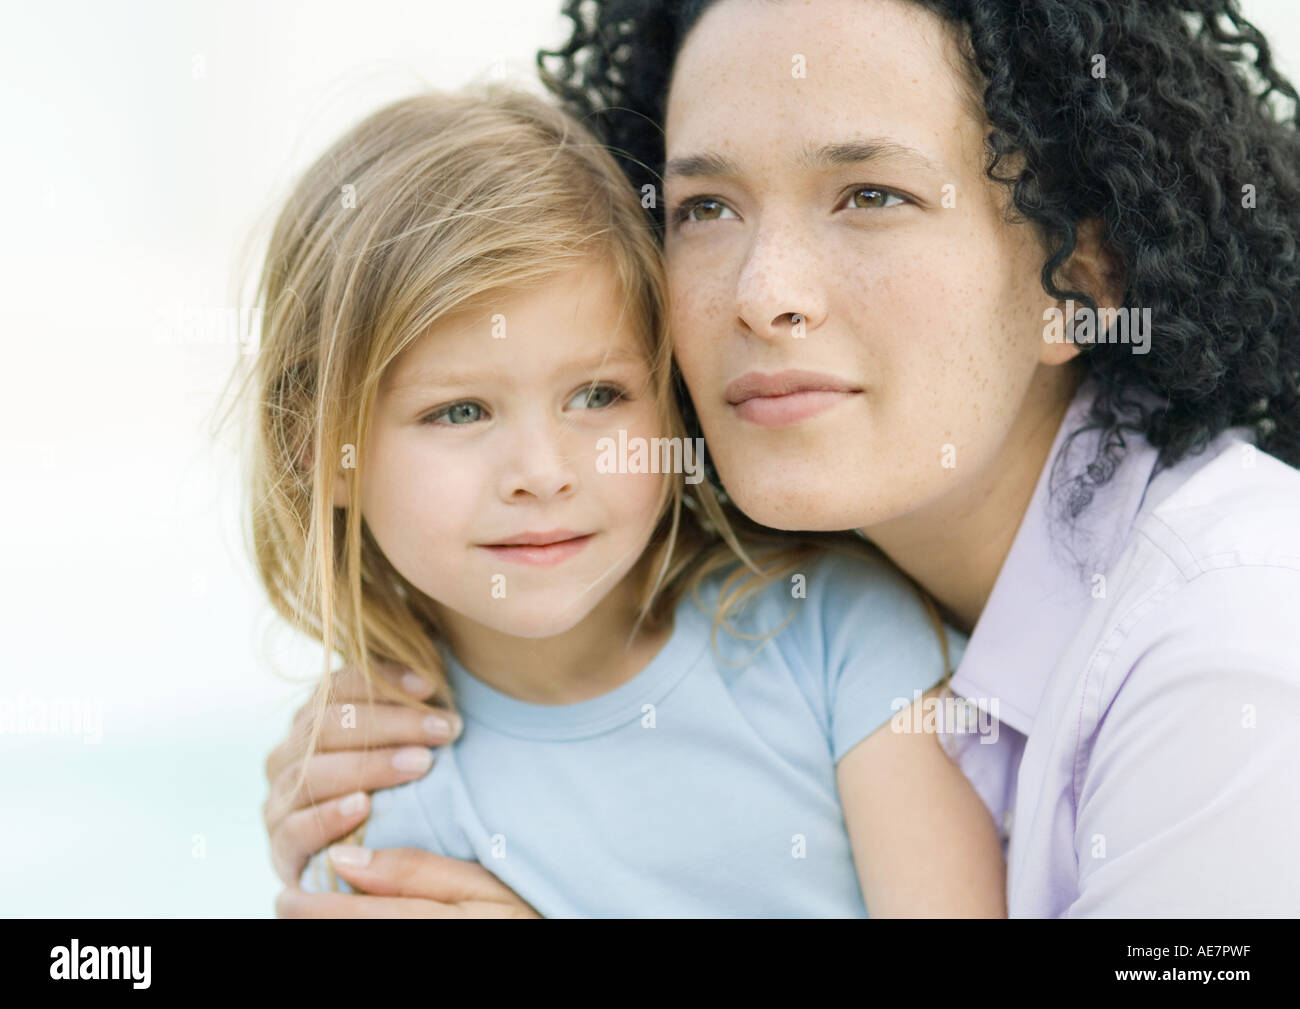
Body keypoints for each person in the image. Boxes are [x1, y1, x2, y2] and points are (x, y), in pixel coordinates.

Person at [267, 0, 1300, 917]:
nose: (764, 294)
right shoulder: (800, 603)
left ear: (1083, 279)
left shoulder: (1235, 660)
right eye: (705, 209)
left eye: (870, 195)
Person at [242, 84, 1005, 917]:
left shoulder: (839, 642)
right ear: (320, 452)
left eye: (598, 395)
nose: (542, 471)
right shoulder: (373, 785)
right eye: (459, 411)